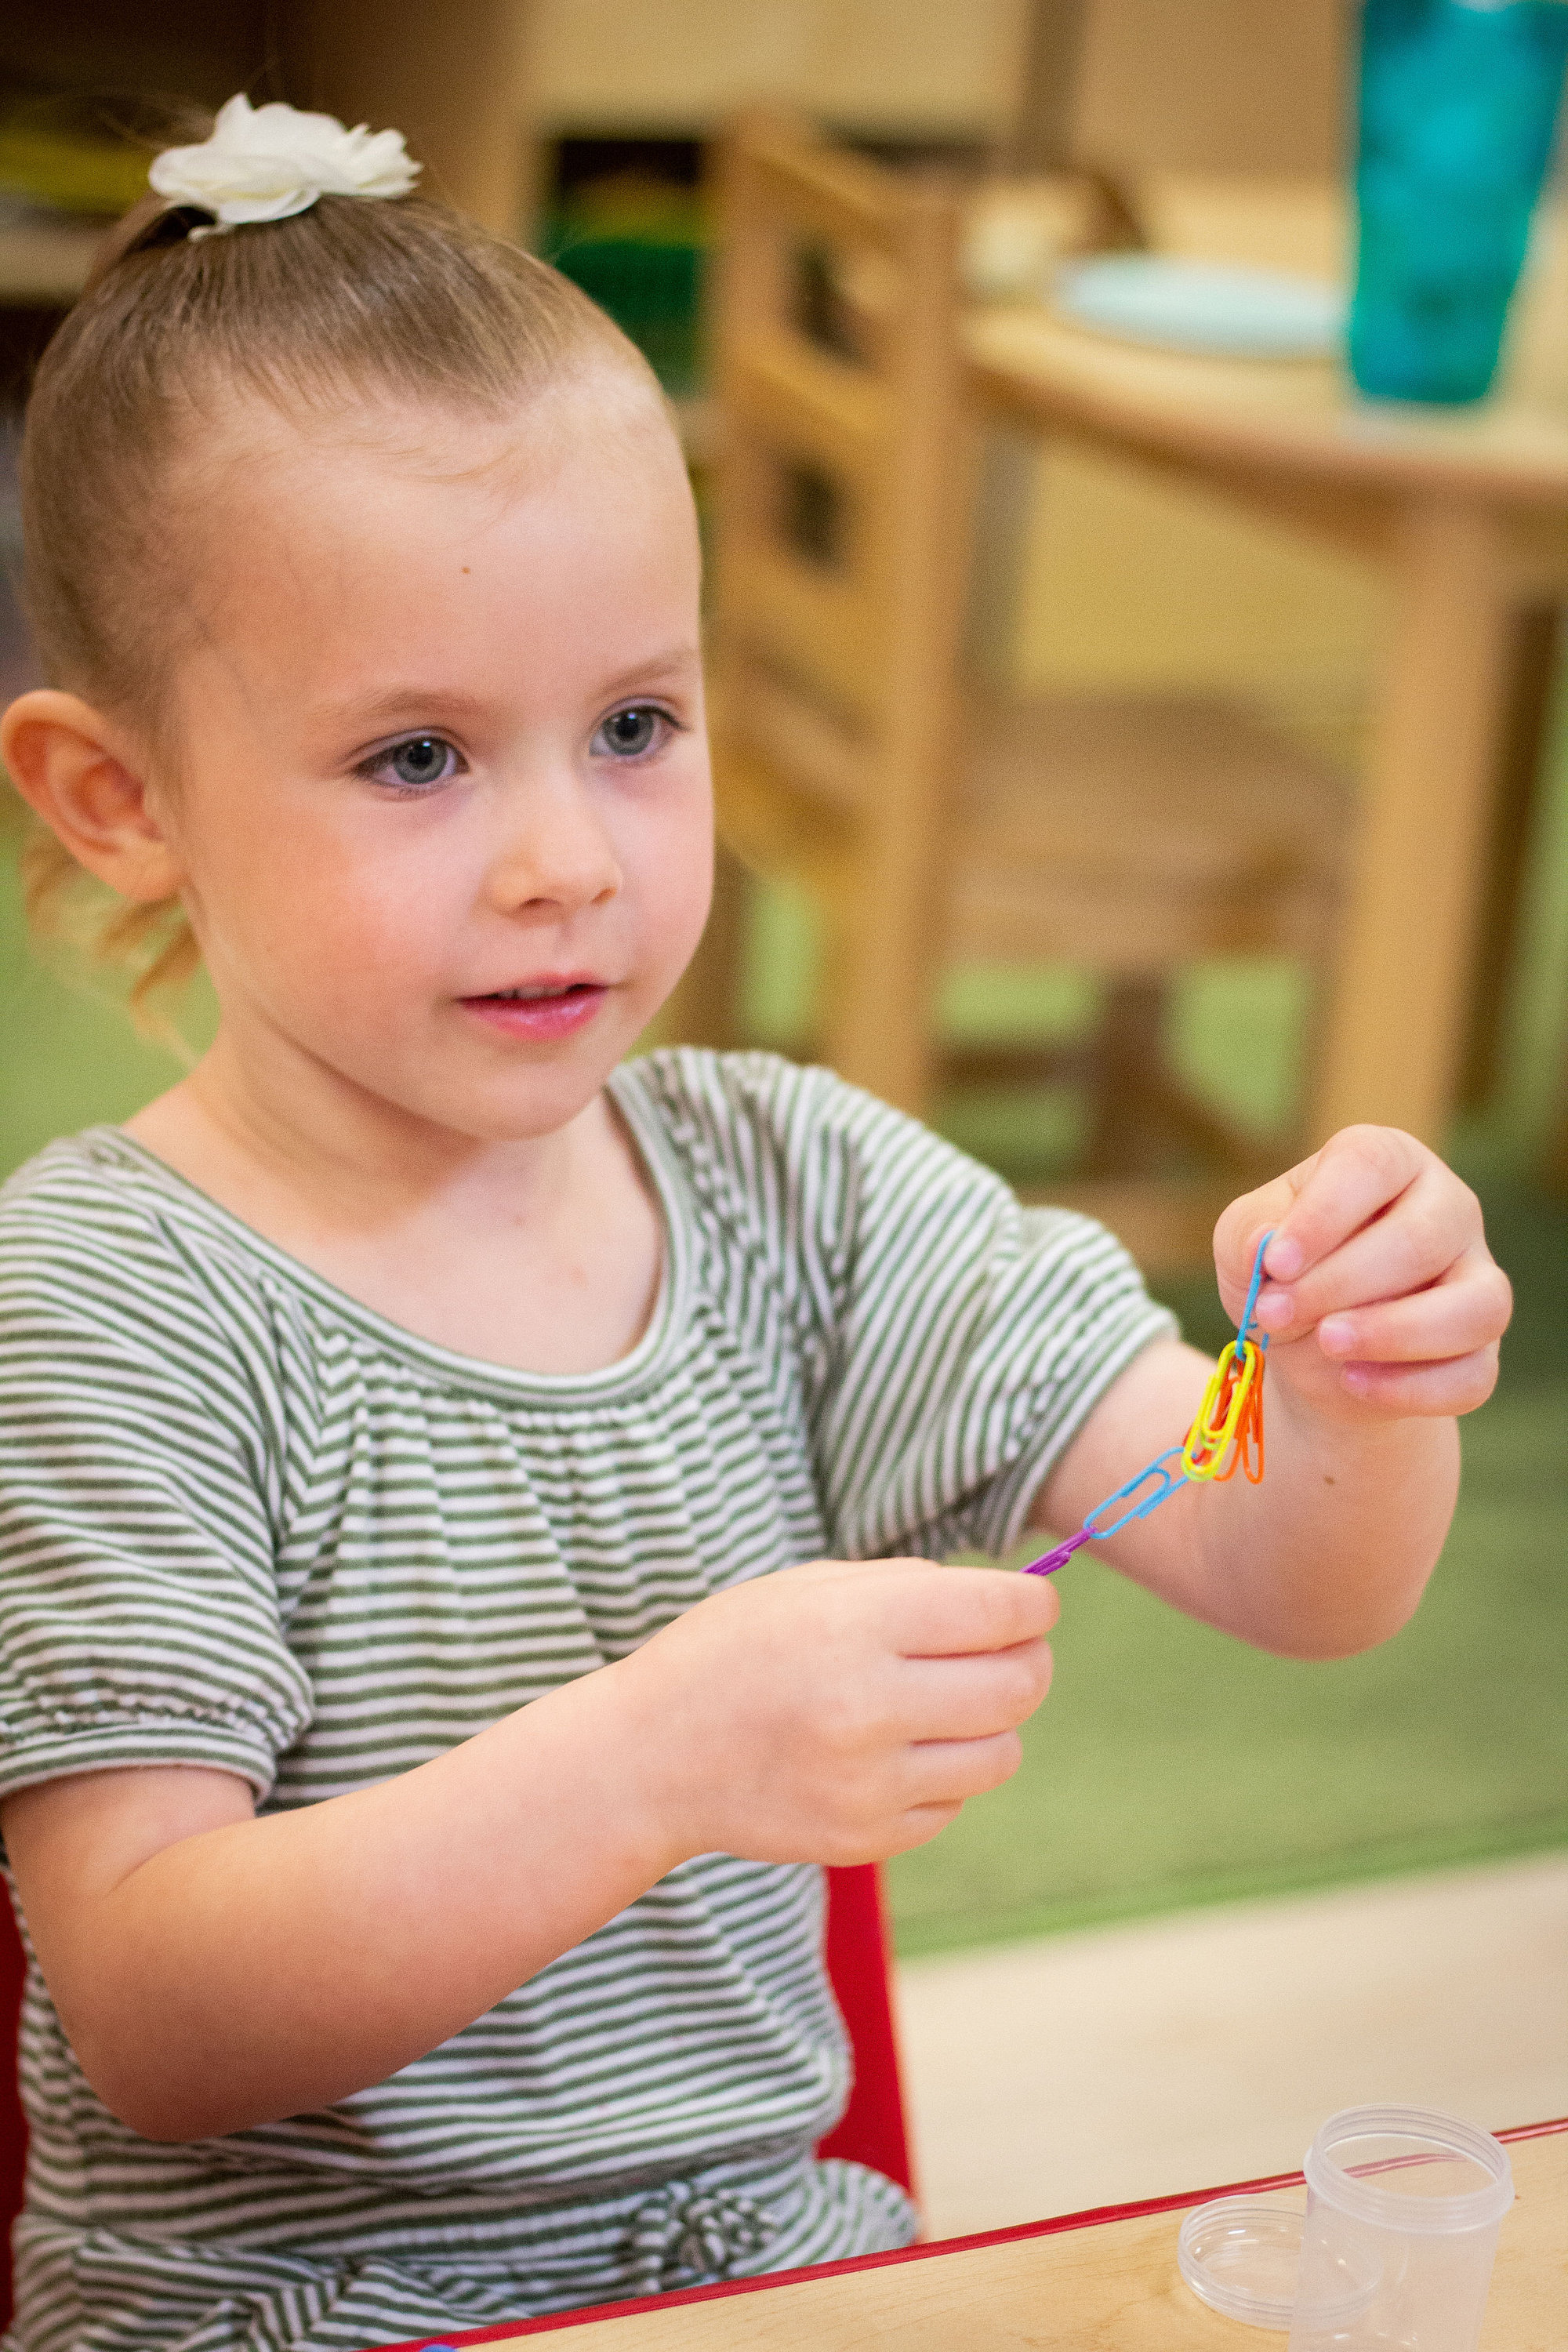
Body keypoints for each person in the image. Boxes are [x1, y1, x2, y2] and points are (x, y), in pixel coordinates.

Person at [0, 97, 1510, 2352]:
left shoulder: (795, 1189)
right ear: (119, 802)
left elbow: (1284, 1556)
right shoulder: (107, 1305)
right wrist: (657, 1755)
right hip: (279, 2311)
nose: (568, 860)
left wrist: (1354, 1378)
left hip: (755, 2271)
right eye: (417, 758)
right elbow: (163, 2014)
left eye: (635, 722)